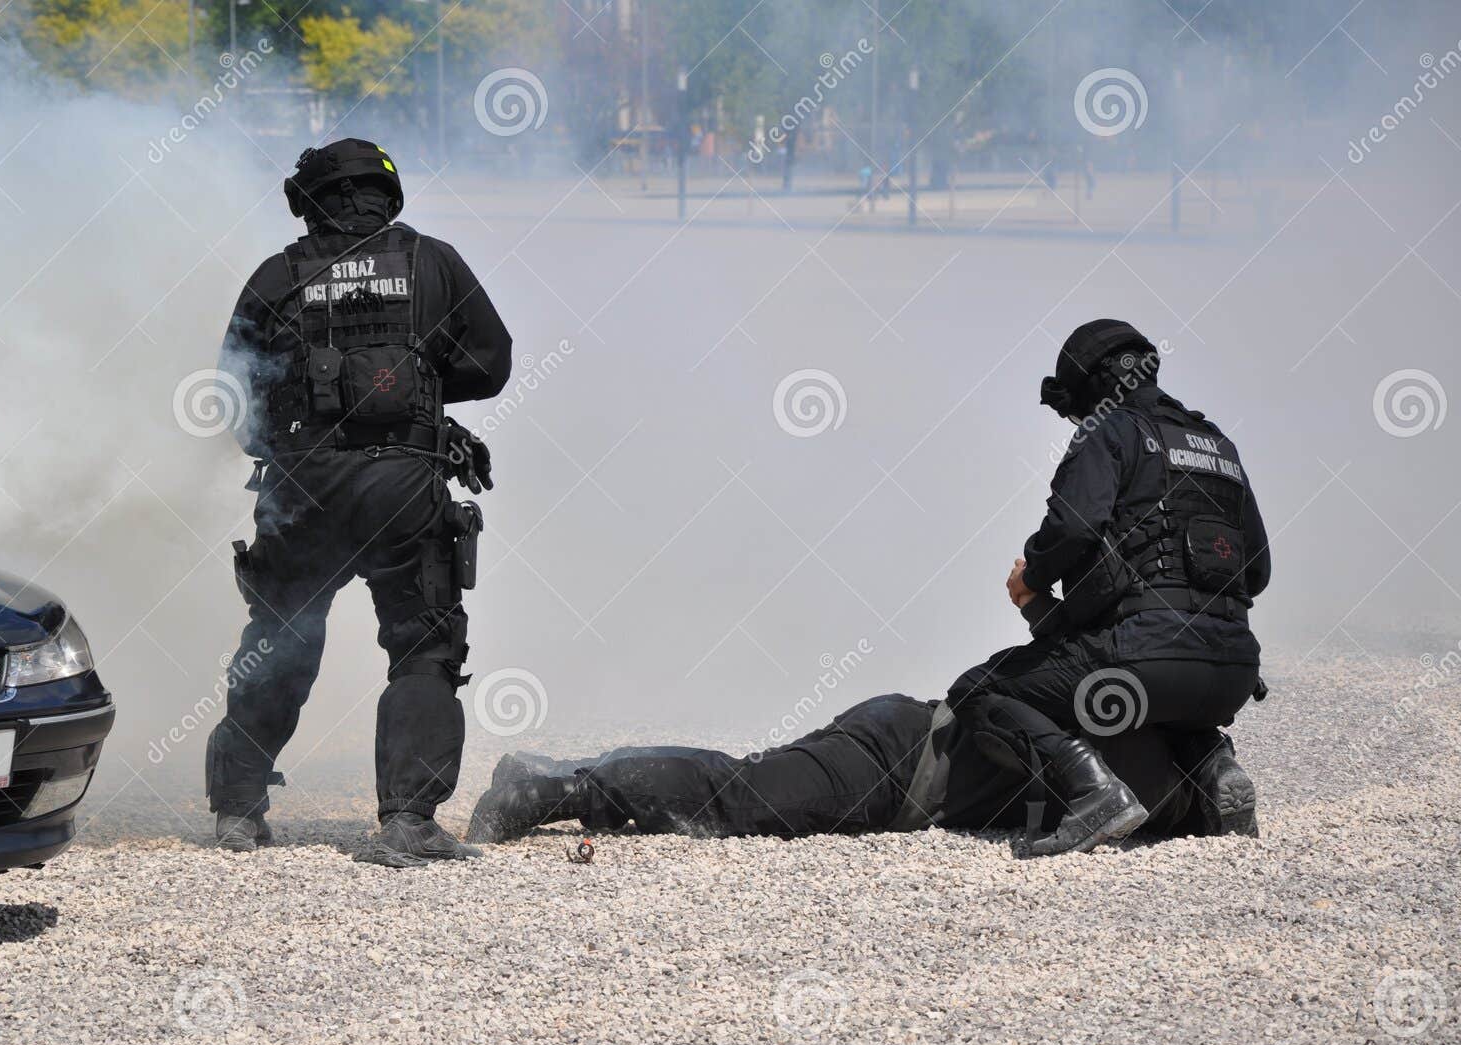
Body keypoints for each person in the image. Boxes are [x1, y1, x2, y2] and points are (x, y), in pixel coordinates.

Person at [204, 138, 512, 866]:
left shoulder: (278, 275)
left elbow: (231, 392)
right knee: (423, 643)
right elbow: (492, 362)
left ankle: (238, 809)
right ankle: (408, 817)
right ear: (386, 195)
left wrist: (293, 438)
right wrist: (418, 390)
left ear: (309, 202)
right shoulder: (434, 262)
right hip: (404, 486)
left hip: (302, 489)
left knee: (283, 635)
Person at [946, 319, 1270, 857]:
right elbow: (1256, 568)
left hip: (1144, 662)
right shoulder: (1218, 443)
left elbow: (1073, 528)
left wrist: (1029, 579)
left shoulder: (1108, 428)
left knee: (980, 690)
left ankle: (1093, 790)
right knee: (1158, 703)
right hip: (1232, 674)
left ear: (1093, 384)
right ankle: (1214, 766)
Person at [465, 692, 1241, 853]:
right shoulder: (1115, 719)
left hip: (913, 764)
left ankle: (568, 780)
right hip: (899, 753)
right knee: (746, 797)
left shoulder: (1157, 763)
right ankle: (557, 787)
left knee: (746, 793)